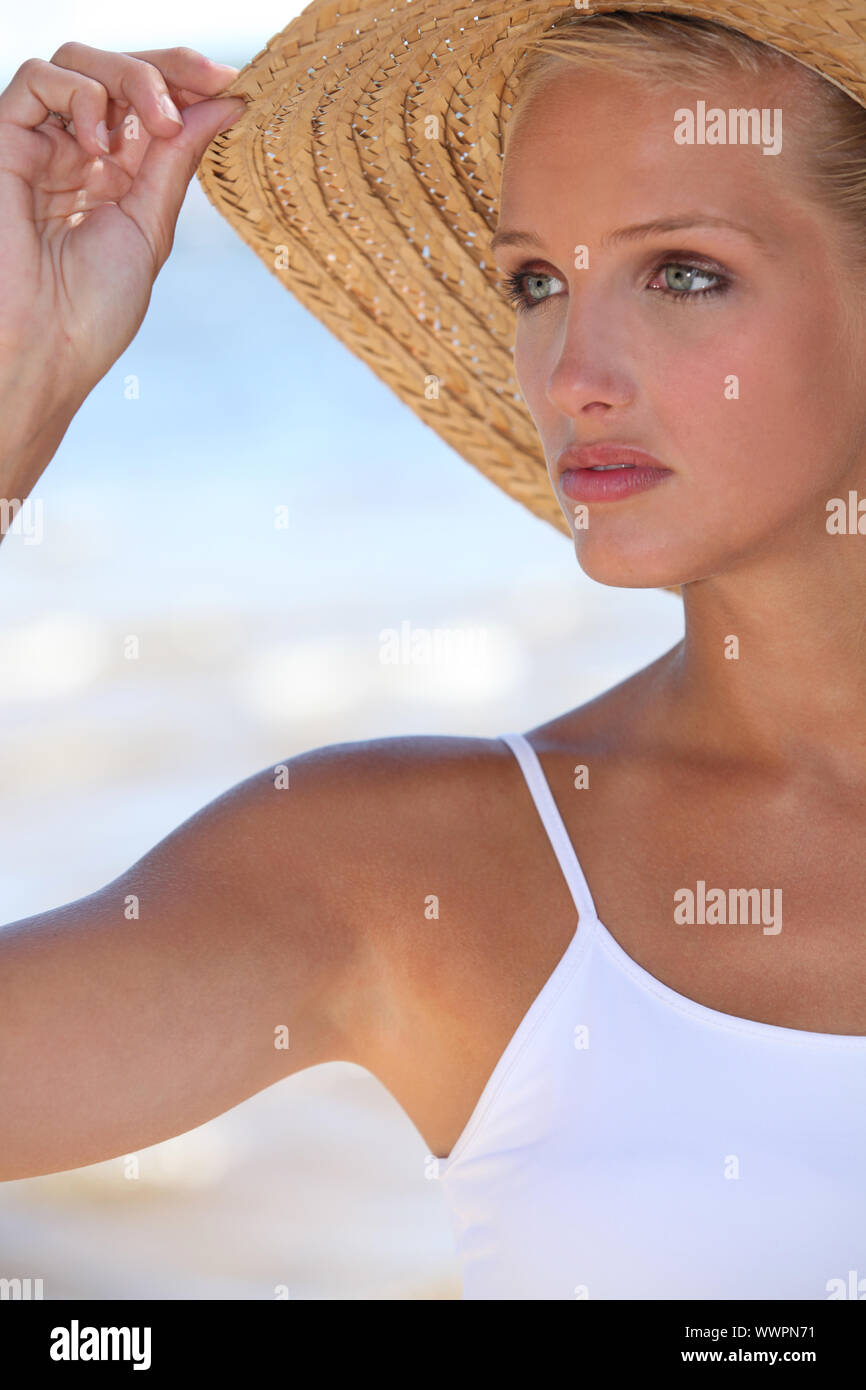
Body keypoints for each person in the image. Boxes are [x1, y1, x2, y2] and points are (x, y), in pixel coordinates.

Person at [2, 4, 866, 1301]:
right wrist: (19, 386)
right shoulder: (412, 874)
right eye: (534, 280)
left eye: (679, 270)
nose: (572, 371)